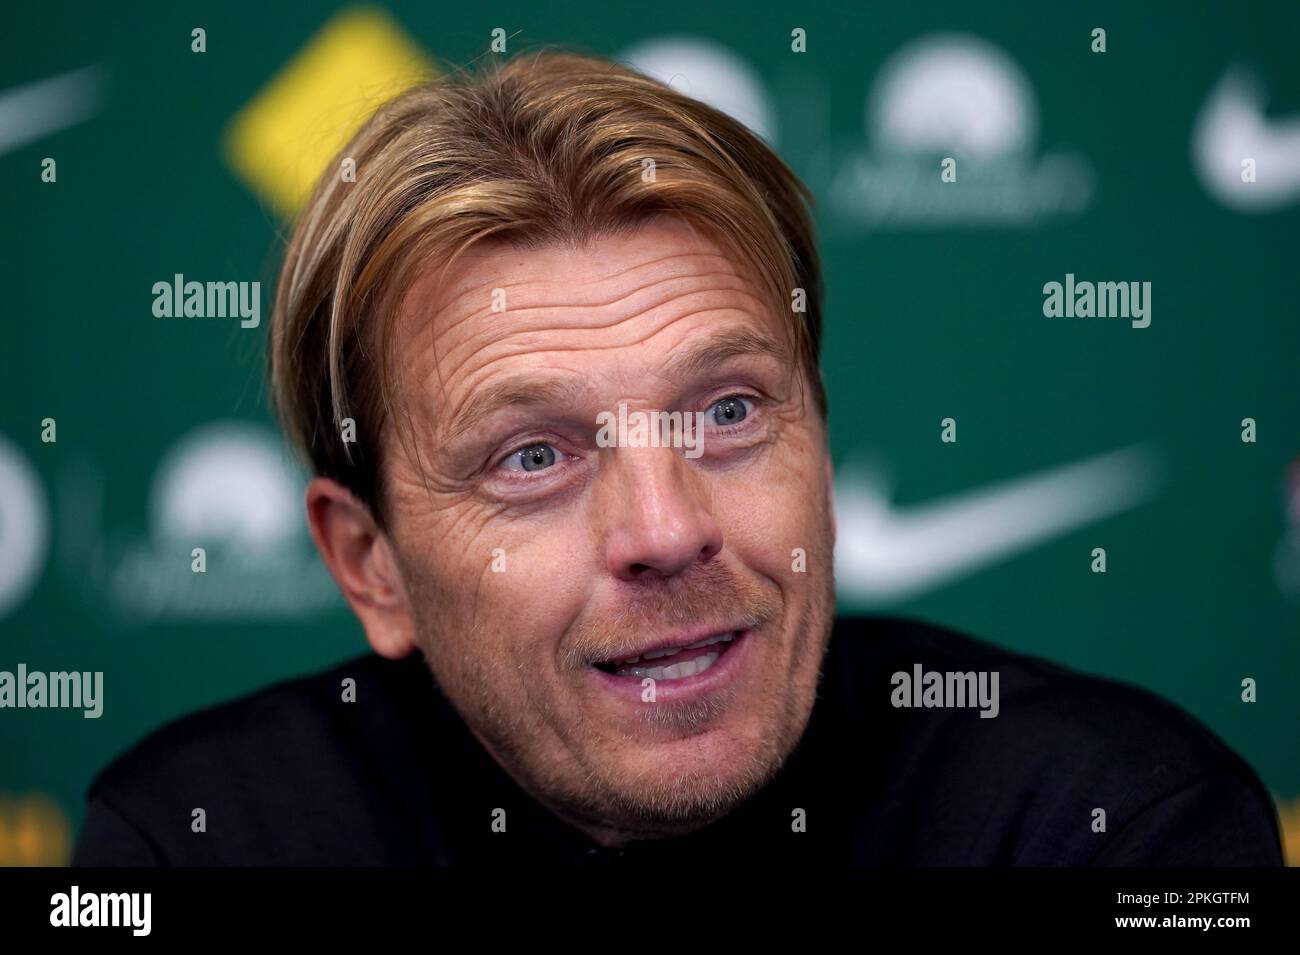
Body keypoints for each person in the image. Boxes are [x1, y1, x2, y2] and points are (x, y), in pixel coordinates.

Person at [74, 52, 1282, 865]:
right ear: (370, 561)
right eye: (532, 453)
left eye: (726, 413)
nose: (664, 529)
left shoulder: (1114, 825)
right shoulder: (196, 843)